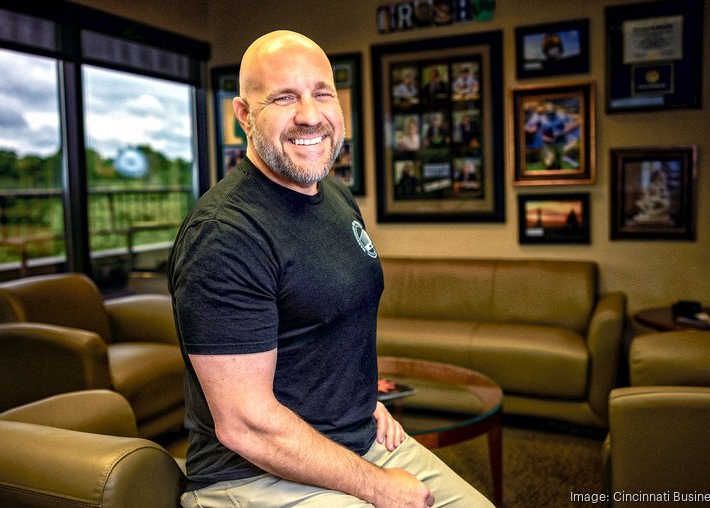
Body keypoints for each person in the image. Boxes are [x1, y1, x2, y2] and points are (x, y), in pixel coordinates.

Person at [168, 30, 493, 508]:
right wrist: (378, 486)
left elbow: (324, 325)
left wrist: (359, 406)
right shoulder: (224, 234)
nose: (309, 115)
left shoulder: (336, 197)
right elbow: (246, 426)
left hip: (354, 444)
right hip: (254, 475)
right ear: (244, 115)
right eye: (284, 97)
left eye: (322, 93)